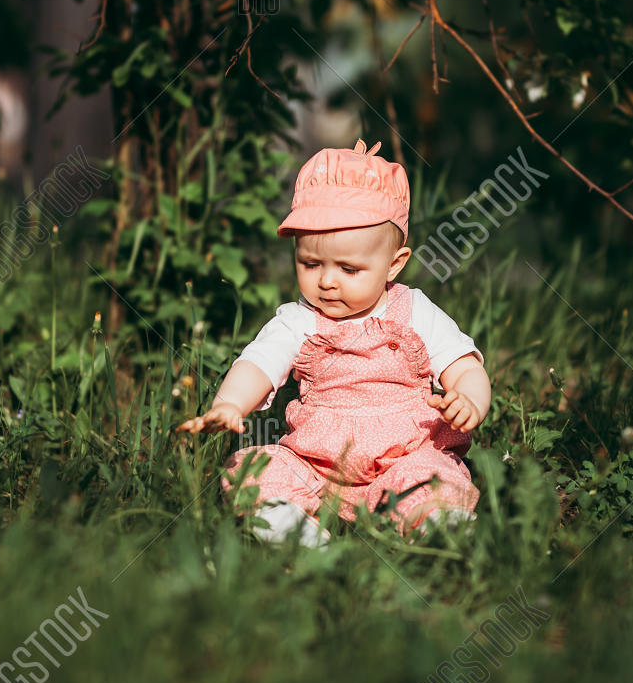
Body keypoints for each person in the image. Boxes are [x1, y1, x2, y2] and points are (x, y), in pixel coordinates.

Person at [176, 138, 491, 547]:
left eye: (348, 268)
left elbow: (465, 366)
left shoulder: (415, 311)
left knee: (431, 478)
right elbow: (257, 364)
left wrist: (469, 400)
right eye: (310, 264)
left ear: (394, 264)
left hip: (405, 456)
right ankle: (296, 533)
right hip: (316, 465)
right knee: (250, 467)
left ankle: (434, 524)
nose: (326, 281)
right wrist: (231, 404)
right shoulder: (299, 320)